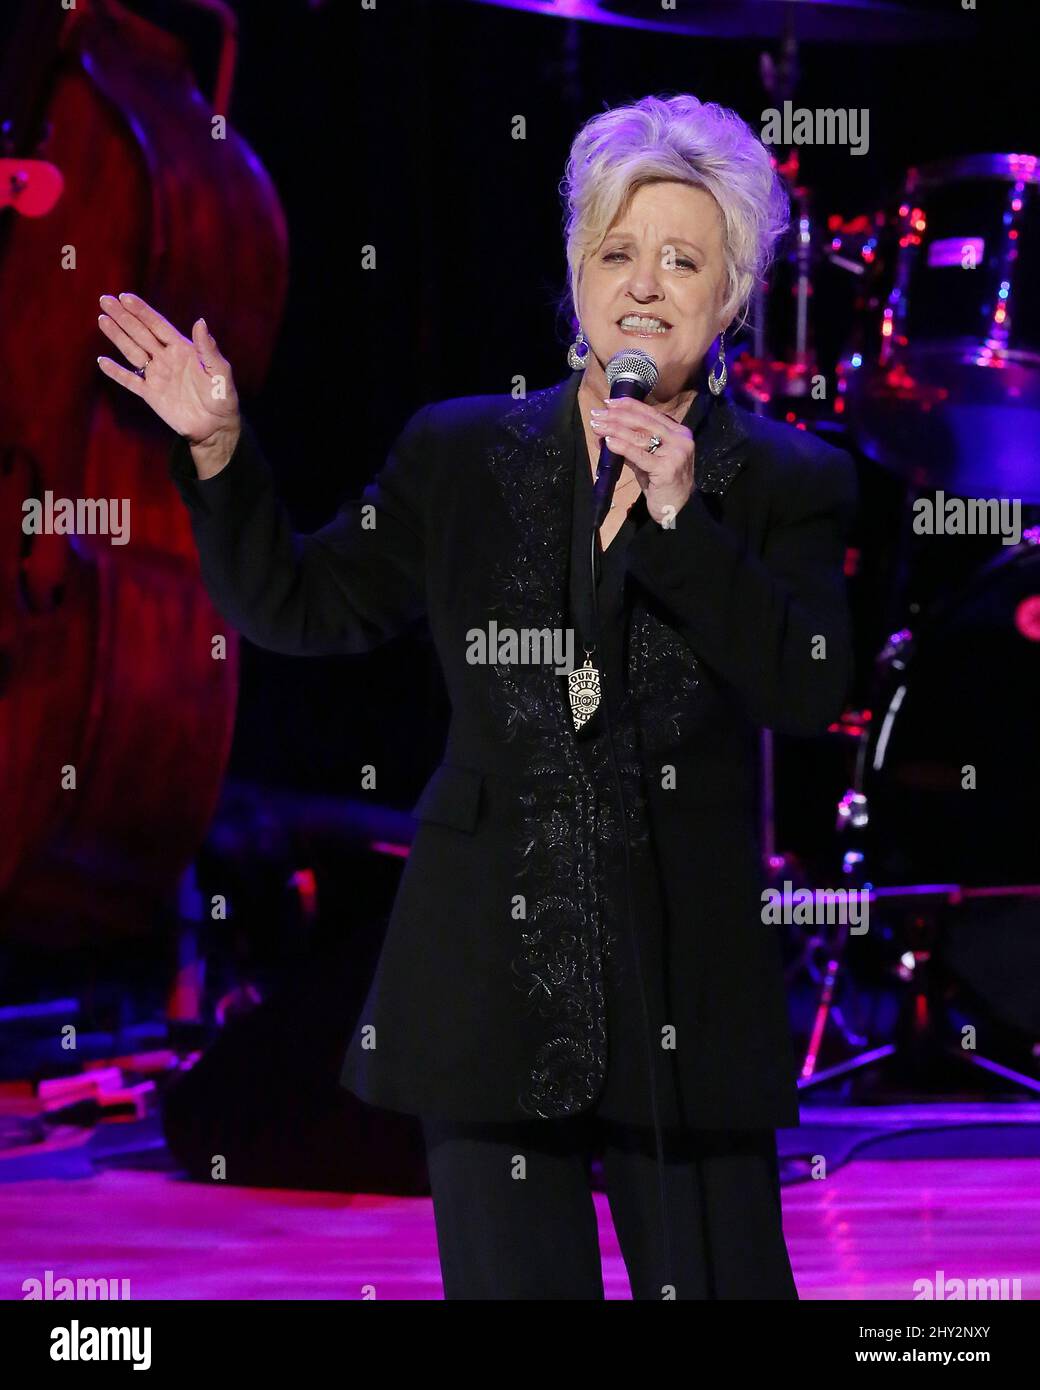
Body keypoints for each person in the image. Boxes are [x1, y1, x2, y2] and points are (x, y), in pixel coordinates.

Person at [96, 92, 857, 1299]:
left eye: (682, 260)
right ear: (573, 269)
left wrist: (679, 526)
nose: (644, 286)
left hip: (684, 985)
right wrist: (220, 451)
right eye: (617, 251)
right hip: (488, 981)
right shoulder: (458, 455)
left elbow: (811, 687)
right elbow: (299, 606)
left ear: (731, 298)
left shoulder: (786, 481)